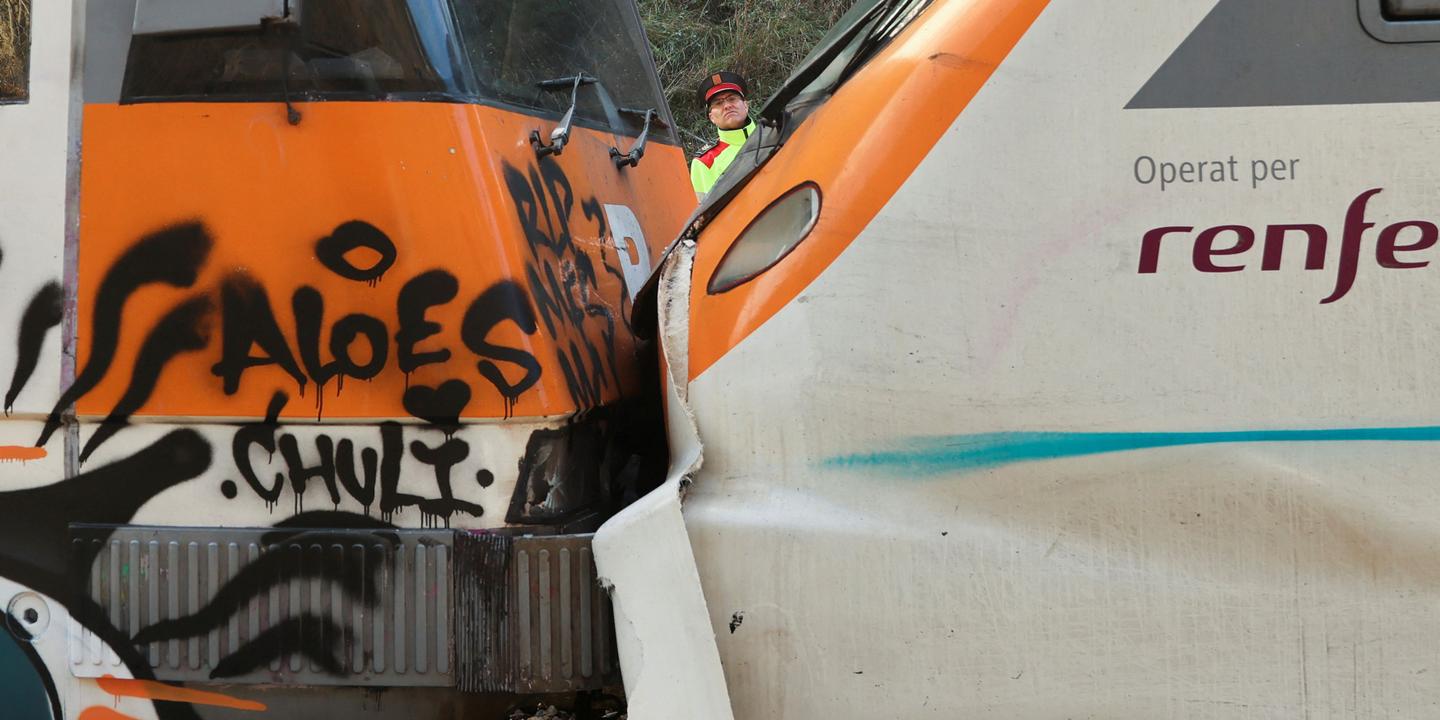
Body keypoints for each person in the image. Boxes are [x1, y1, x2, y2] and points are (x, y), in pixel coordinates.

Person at [690, 71, 757, 200]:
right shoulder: (705, 162)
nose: (727, 106)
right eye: (718, 103)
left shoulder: (774, 131)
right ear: (711, 117)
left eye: (732, 99)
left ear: (745, 105)